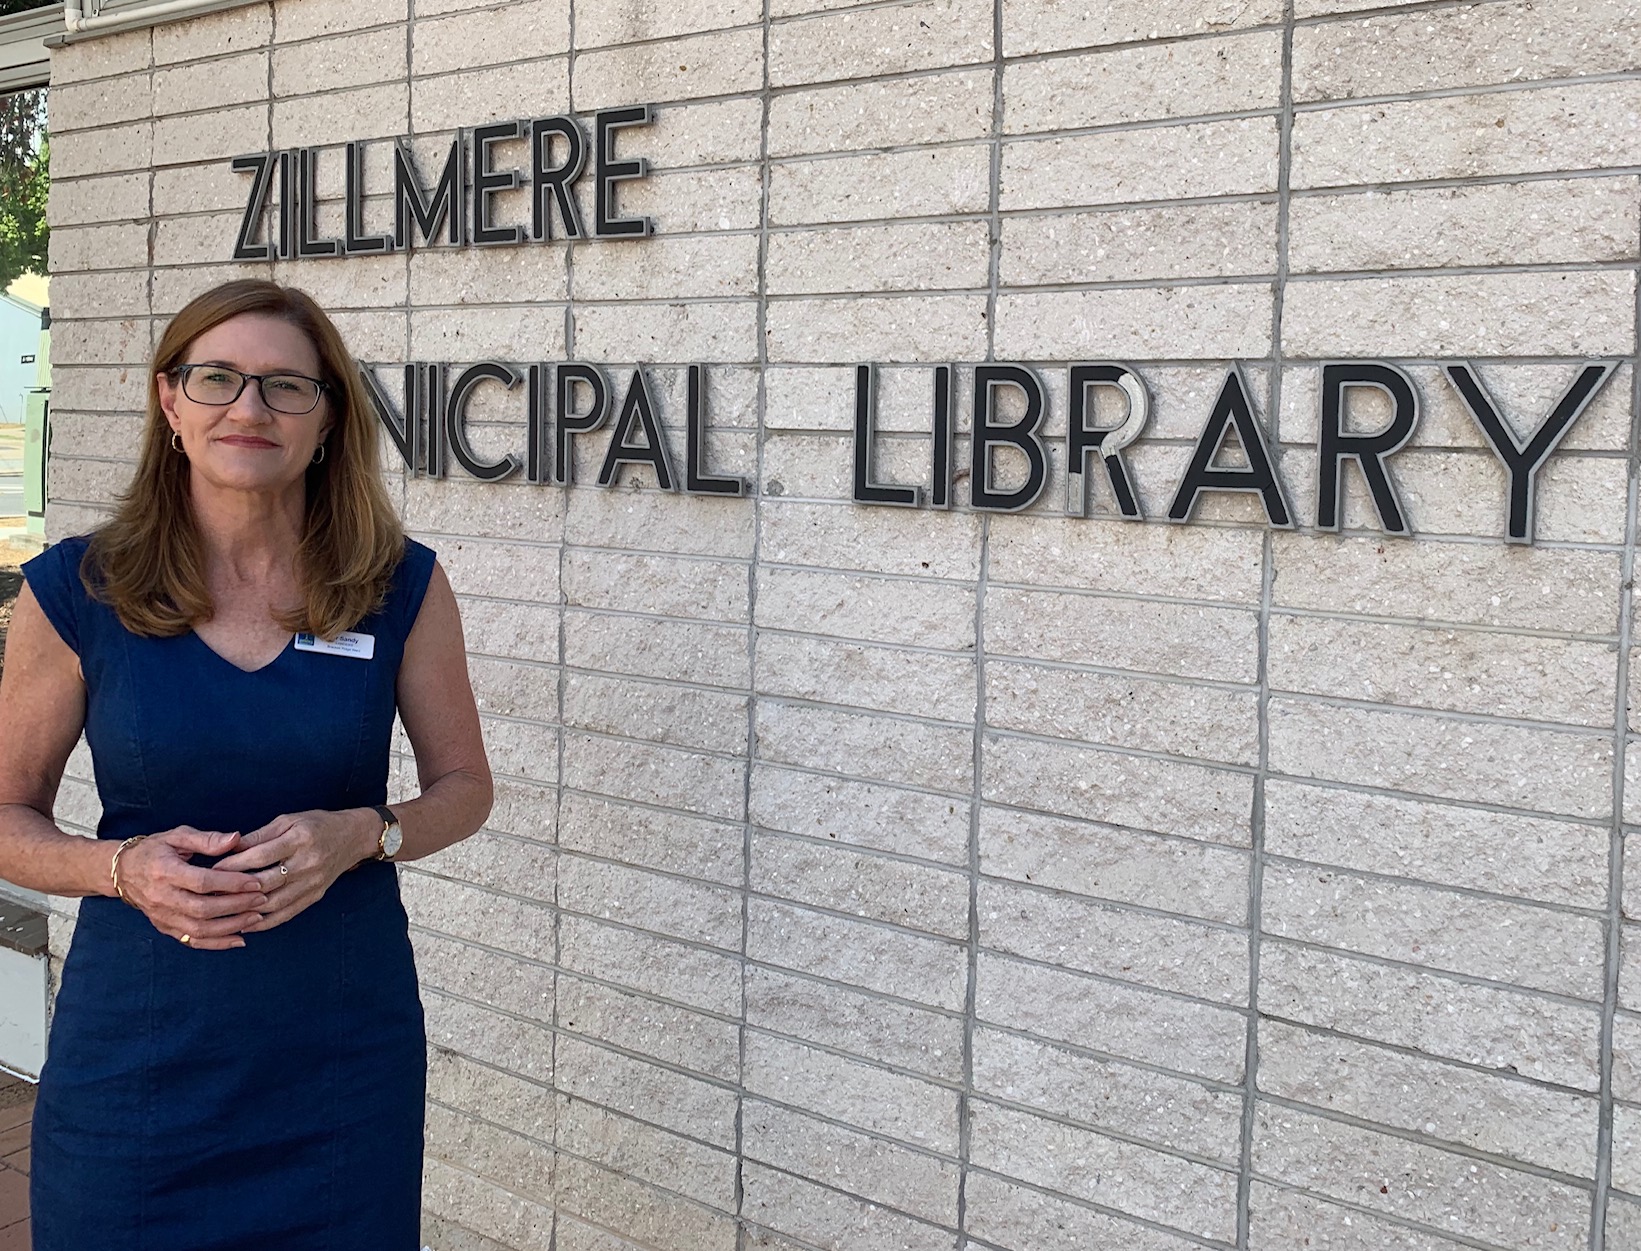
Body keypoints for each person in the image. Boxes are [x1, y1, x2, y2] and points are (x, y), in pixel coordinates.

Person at [0, 279, 493, 1249]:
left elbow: (465, 789)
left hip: (339, 1067)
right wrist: (121, 869)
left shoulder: (398, 587)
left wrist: (366, 831)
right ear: (169, 401)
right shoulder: (77, 592)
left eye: (285, 386)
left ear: (328, 418)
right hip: (138, 1063)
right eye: (217, 378)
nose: (250, 408)